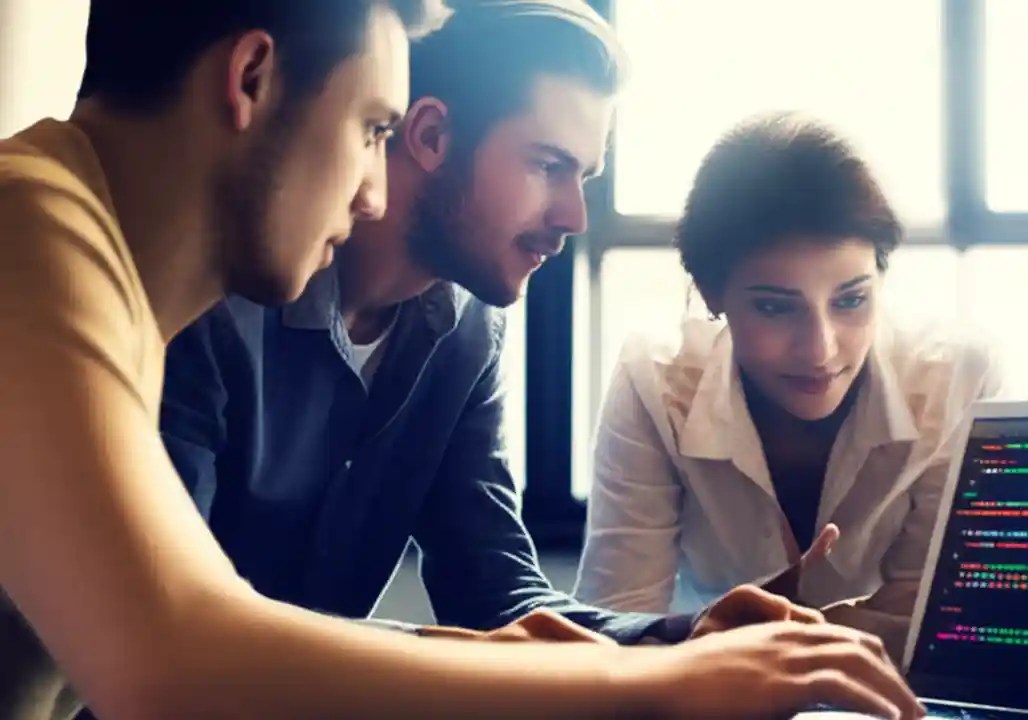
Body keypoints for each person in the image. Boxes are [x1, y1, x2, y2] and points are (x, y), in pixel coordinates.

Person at [0, 1, 925, 718]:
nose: (373, 192)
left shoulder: (90, 255)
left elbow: (492, 598)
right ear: (251, 77)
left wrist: (672, 645)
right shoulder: (34, 232)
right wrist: (656, 687)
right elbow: (177, 662)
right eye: (371, 129)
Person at [161, 0, 847, 648]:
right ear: (429, 135)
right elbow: (176, 630)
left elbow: (494, 594)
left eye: (585, 176)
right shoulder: (212, 307)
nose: (574, 217)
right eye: (549, 166)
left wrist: (680, 639)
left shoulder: (467, 331)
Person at [577, 111, 1002, 663]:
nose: (820, 349)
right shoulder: (656, 382)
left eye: (851, 299)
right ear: (711, 294)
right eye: (775, 308)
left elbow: (936, 623)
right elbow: (615, 629)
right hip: (705, 681)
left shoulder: (955, 378)